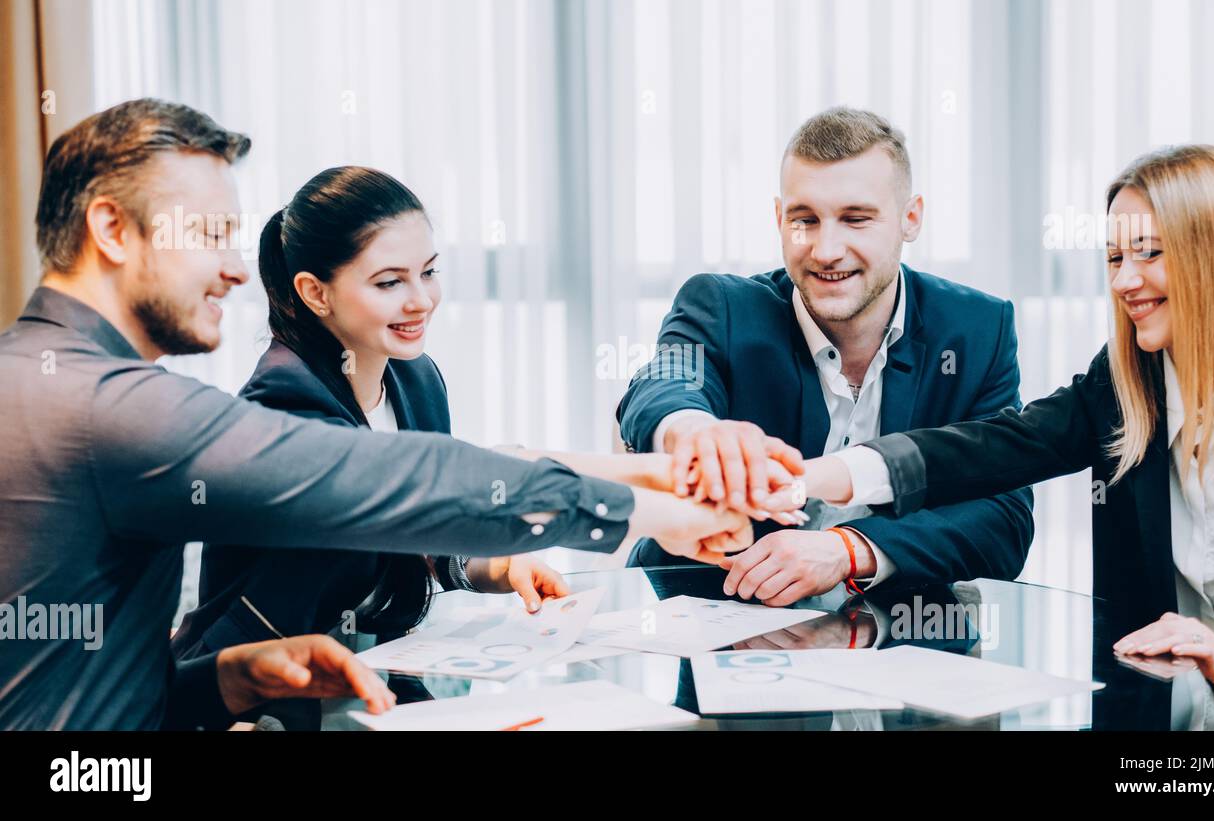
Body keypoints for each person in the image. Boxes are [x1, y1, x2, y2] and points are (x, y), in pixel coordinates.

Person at [0, 98, 753, 730]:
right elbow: (396, 479)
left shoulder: (43, 380)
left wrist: (234, 677)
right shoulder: (113, 408)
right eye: (206, 236)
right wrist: (644, 507)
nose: (234, 267)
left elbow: (82, 694)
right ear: (110, 230)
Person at [829, 145, 1214, 729]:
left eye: (1150, 254)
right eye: (1113, 257)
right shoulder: (1125, 383)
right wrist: (827, 474)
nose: (1125, 282)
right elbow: (999, 445)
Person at [170, 166, 573, 729]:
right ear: (315, 292)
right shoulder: (284, 403)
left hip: (373, 680)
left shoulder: (416, 378)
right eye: (389, 283)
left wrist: (500, 564)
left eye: (429, 273)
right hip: (265, 700)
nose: (421, 301)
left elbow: (424, 529)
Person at [617, 106, 1033, 606]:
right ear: (779, 219)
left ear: (910, 218)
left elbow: (1004, 519)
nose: (825, 250)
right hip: (707, 619)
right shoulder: (722, 307)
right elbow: (664, 381)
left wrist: (849, 550)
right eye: (804, 220)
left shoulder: (976, 330)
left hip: (901, 641)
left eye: (856, 219)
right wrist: (694, 431)